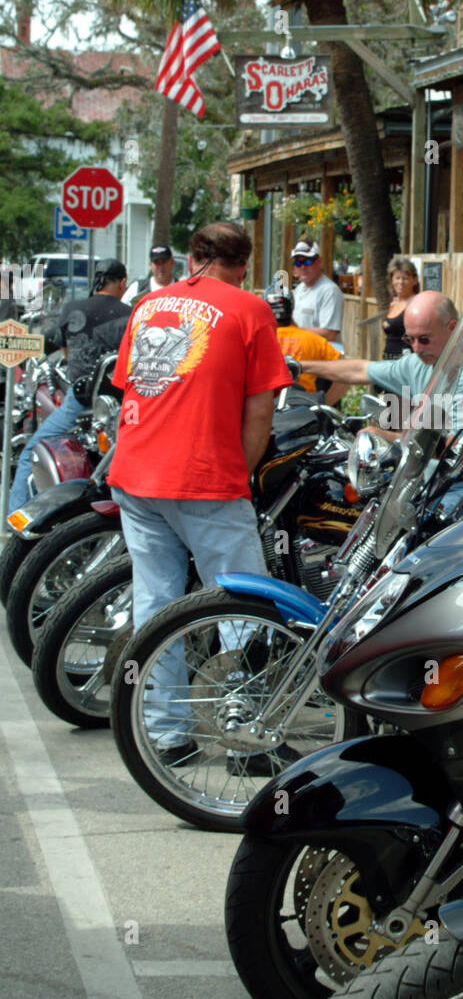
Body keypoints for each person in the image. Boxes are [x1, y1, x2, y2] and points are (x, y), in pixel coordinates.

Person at [107, 221, 292, 754]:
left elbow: (130, 388)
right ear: (244, 266)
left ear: (192, 259)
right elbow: (260, 413)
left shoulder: (146, 306)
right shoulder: (249, 310)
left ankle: (166, 736)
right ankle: (246, 738)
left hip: (136, 473)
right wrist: (238, 473)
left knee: (158, 607)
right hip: (202, 477)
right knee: (246, 609)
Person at [8, 259, 131, 516]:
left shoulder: (73, 309)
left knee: (29, 453)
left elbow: (65, 352)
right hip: (120, 407)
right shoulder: (130, 313)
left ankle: (15, 519)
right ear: (122, 282)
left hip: (80, 401)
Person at [303, 290, 463, 437]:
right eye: (409, 339)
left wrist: (386, 437)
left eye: (424, 339)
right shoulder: (415, 363)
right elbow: (360, 369)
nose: (416, 348)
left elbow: (458, 447)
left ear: (453, 328)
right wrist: (301, 367)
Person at [264, 277, 347, 404]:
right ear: (292, 307)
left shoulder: (258, 341)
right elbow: (344, 372)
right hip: (304, 410)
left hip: (267, 405)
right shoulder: (313, 340)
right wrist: (325, 403)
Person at [291, 240, 344, 344]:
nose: (302, 267)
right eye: (298, 262)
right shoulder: (298, 290)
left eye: (307, 262)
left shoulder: (329, 291)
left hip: (322, 358)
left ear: (319, 261)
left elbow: (329, 334)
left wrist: (293, 332)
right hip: (303, 354)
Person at [382, 255, 419, 358]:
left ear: (415, 280)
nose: (400, 282)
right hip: (388, 358)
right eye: (397, 278)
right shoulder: (393, 303)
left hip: (406, 360)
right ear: (392, 280)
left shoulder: (417, 303)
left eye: (405, 278)